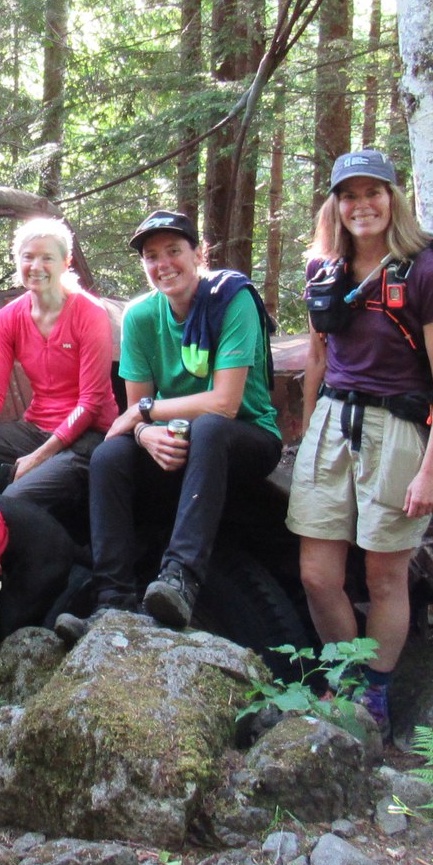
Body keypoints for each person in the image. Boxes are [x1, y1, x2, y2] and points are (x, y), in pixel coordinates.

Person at [287, 149, 433, 734]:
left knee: (386, 576)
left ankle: (375, 698)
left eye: (373, 193)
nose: (362, 206)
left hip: (397, 431)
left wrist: (431, 468)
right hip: (333, 425)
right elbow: (317, 356)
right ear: (335, 205)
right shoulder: (323, 270)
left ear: (393, 198)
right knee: (317, 573)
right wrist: (310, 431)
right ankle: (347, 678)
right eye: (349, 195)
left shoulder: (425, 271)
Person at [86, 209, 284, 629]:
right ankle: (112, 601)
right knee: (107, 458)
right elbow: (134, 414)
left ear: (198, 253)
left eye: (174, 251)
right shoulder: (140, 316)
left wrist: (144, 415)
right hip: (179, 439)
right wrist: (144, 434)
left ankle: (180, 578)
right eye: (152, 256)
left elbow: (225, 404)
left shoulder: (233, 300)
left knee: (210, 427)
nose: (163, 264)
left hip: (245, 436)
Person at [0, 217, 117, 531]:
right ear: (18, 260)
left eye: (48, 257)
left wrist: (38, 458)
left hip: (89, 437)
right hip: (36, 427)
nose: (37, 265)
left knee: (16, 496)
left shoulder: (90, 313)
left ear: (66, 262)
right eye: (28, 256)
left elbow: (91, 403)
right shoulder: (9, 317)